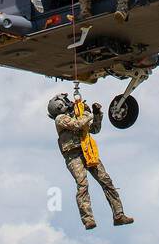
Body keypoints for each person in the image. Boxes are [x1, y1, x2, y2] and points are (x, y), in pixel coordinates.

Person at [48, 92, 133, 230]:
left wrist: (97, 114)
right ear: (59, 106)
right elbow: (77, 124)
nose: (69, 102)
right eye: (66, 101)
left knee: (106, 181)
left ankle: (119, 215)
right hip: (73, 156)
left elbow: (94, 129)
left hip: (87, 151)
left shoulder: (76, 115)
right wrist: (88, 114)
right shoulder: (60, 119)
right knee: (83, 185)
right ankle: (88, 219)